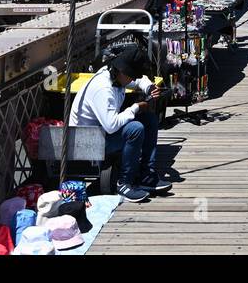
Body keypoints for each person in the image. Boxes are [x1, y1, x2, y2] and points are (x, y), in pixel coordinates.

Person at [68, 46, 173, 201]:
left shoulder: (115, 74)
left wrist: (149, 87)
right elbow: (111, 126)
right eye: (130, 77)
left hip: (102, 132)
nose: (131, 80)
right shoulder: (103, 88)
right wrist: (136, 107)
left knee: (149, 119)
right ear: (123, 72)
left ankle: (146, 174)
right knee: (135, 129)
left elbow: (137, 80)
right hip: (89, 141)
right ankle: (124, 183)